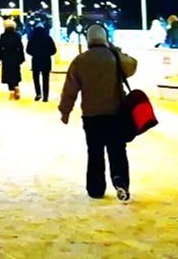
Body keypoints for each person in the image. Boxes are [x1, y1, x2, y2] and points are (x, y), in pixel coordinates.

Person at [58, 24, 138, 202]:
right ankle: (120, 181)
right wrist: (115, 50)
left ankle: (96, 189)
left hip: (91, 116)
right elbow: (132, 65)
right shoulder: (114, 58)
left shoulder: (80, 60)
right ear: (105, 39)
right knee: (117, 150)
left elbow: (70, 89)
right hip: (115, 113)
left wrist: (65, 111)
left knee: (94, 152)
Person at [27, 21, 58, 101]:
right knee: (45, 79)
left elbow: (28, 50)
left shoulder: (32, 38)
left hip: (36, 61)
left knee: (36, 79)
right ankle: (45, 96)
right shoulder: (48, 38)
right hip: (46, 61)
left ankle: (38, 94)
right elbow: (53, 50)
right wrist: (47, 53)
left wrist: (35, 53)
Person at [0, 20, 26, 100]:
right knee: (15, 74)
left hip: (6, 58)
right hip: (15, 58)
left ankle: (11, 92)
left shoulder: (3, 36)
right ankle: (16, 88)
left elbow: (0, 48)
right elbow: (20, 48)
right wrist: (21, 58)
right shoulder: (17, 36)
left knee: (8, 75)